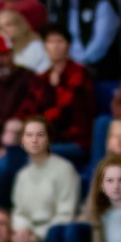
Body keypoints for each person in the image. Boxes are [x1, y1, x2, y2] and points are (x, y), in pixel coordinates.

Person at [7, 117, 80, 242]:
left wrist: (37, 235)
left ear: (49, 139)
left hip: (53, 237)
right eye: (29, 135)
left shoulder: (64, 169)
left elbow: (66, 214)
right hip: (27, 236)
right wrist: (22, 230)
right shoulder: (22, 175)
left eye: (40, 135)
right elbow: (19, 212)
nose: (34, 140)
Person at [55, 0, 121, 75]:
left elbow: (100, 44)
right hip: (67, 71)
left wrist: (78, 66)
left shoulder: (102, 5)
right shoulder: (61, 7)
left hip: (97, 72)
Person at [39, 24, 96, 152]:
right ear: (44, 46)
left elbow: (66, 105)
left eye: (60, 41)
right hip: (48, 139)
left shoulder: (79, 73)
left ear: (69, 45)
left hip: (76, 140)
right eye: (50, 42)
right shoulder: (42, 78)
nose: (55, 46)